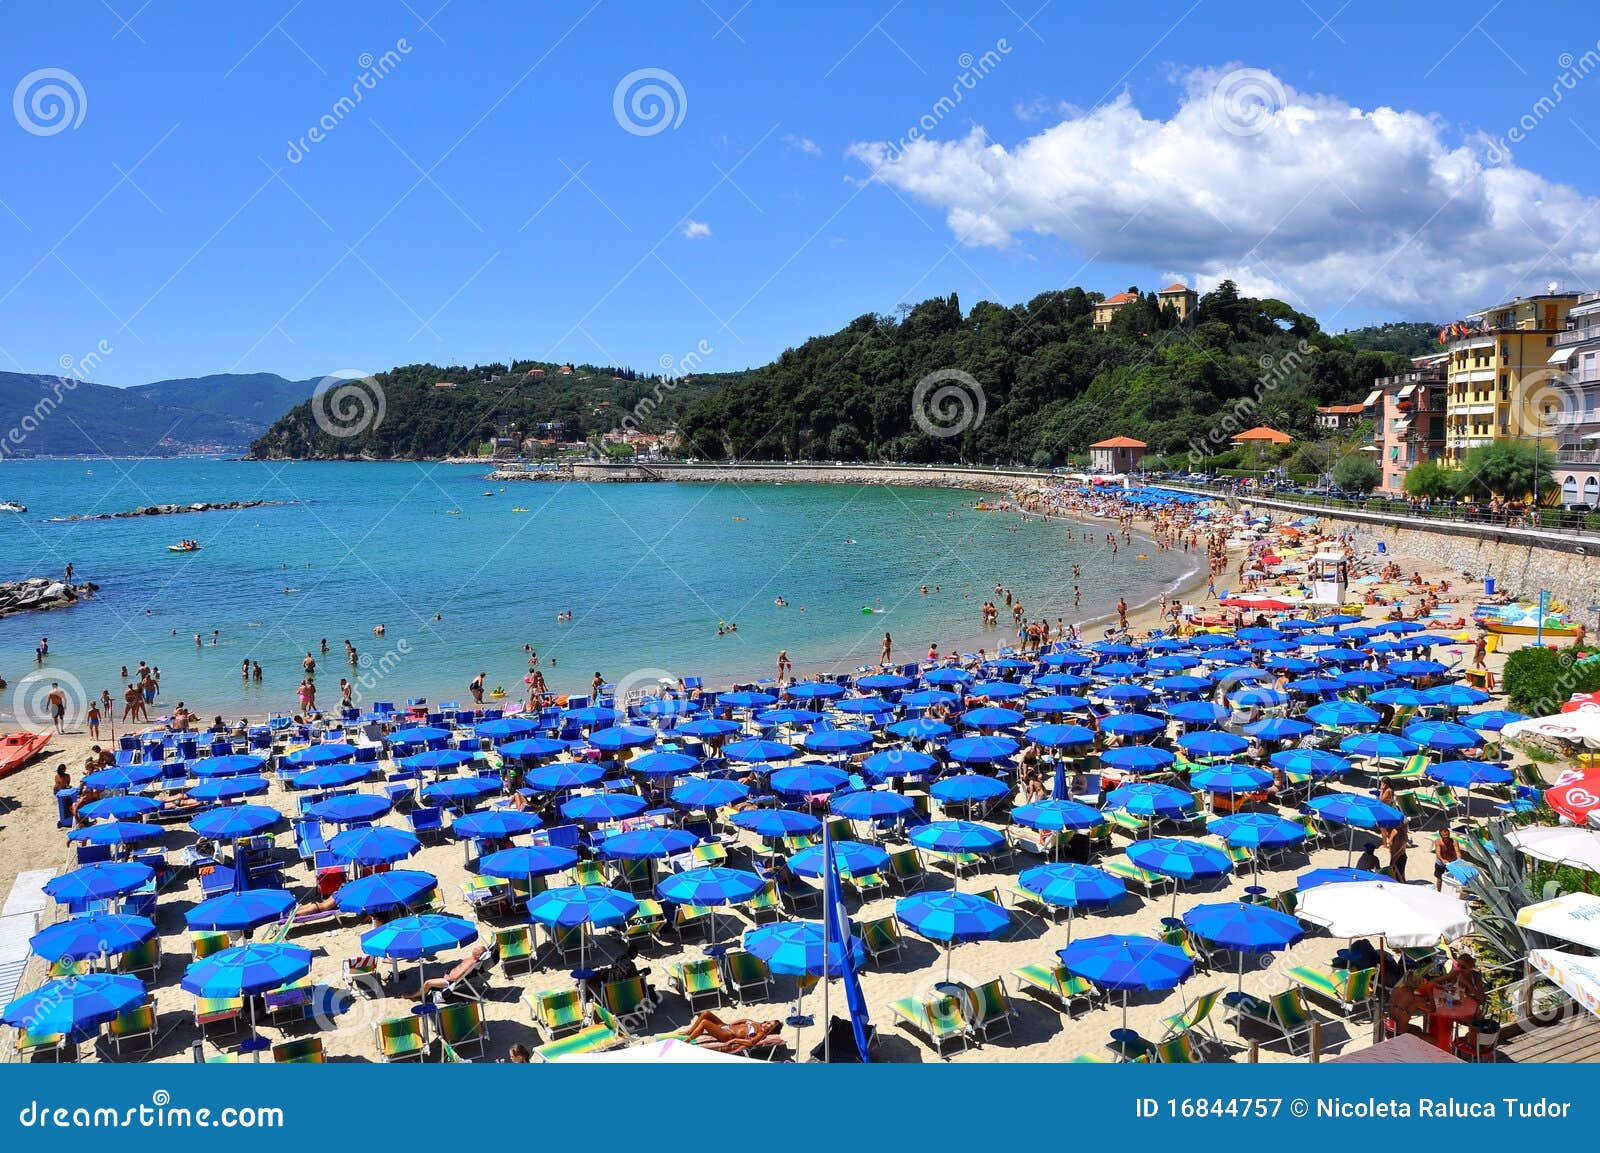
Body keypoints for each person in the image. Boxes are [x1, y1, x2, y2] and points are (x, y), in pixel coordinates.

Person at [409, 942, 492, 1000]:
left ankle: (413, 996)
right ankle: (423, 992)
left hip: (449, 982)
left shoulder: (471, 963)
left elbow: (455, 977)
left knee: (428, 983)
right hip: (449, 974)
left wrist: (447, 976)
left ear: (478, 955)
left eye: (477, 949)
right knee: (430, 976)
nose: (475, 948)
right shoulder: (472, 958)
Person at [674, 1010, 782, 1054]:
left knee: (705, 1023)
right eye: (769, 1022)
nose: (767, 1024)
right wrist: (731, 1024)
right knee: (706, 1013)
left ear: (771, 1031)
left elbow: (751, 1043)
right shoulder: (757, 1024)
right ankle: (689, 1031)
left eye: (770, 1025)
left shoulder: (761, 1033)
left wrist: (735, 1039)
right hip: (726, 1027)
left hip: (727, 1035)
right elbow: (744, 1020)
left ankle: (687, 1041)